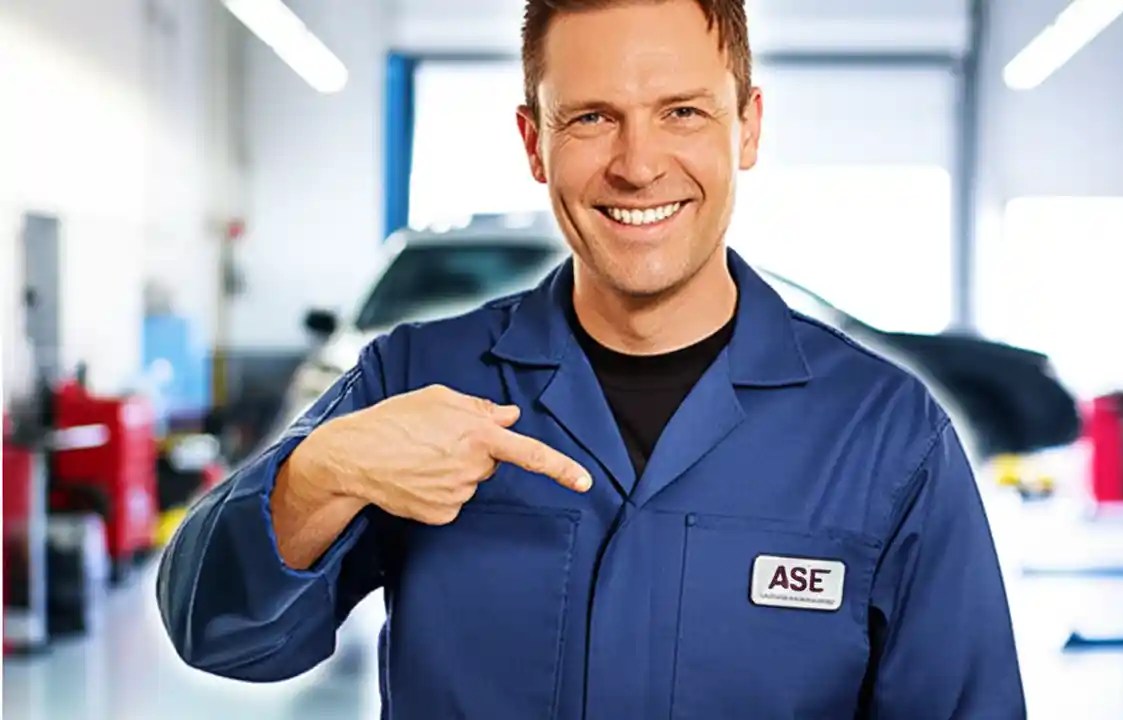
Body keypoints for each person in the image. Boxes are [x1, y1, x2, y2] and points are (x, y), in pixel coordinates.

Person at [156, 0, 1027, 717]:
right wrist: (325, 469)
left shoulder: (884, 438)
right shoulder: (416, 381)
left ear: (747, 127)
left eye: (682, 112)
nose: (638, 165)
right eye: (592, 118)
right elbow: (220, 633)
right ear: (535, 143)